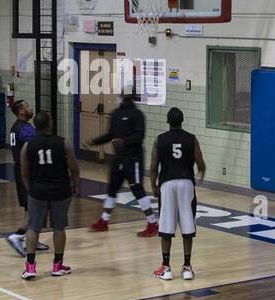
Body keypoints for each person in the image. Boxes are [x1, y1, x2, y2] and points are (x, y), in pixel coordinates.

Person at [85, 91, 158, 237]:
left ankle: (152, 223)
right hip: (118, 158)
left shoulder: (137, 114)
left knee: (137, 189)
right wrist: (94, 142)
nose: (125, 98)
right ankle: (104, 221)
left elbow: (139, 136)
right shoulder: (116, 113)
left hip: (133, 158)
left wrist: (124, 141)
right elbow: (110, 135)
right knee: (112, 188)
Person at [19, 110, 80, 281]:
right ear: (50, 124)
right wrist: (75, 185)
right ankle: (57, 265)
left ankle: (30, 267)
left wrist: (30, 188)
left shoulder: (28, 146)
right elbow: (74, 168)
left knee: (33, 228)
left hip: (38, 191)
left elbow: (24, 173)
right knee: (59, 227)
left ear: (35, 126)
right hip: (60, 190)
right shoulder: (64, 143)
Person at [148, 106, 206, 281]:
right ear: (182, 121)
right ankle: (187, 267)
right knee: (188, 225)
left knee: (166, 226)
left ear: (168, 121)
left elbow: (153, 167)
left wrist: (153, 187)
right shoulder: (191, 139)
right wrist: (199, 176)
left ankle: (166, 267)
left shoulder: (159, 140)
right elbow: (201, 164)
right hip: (186, 183)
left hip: (167, 184)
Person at [4, 99, 47, 256]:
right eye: (28, 106)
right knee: (39, 209)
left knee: (29, 208)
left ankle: (32, 239)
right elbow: (36, 147)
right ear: (21, 111)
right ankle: (18, 236)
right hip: (28, 172)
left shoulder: (15, 127)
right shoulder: (27, 129)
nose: (31, 108)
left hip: (19, 169)